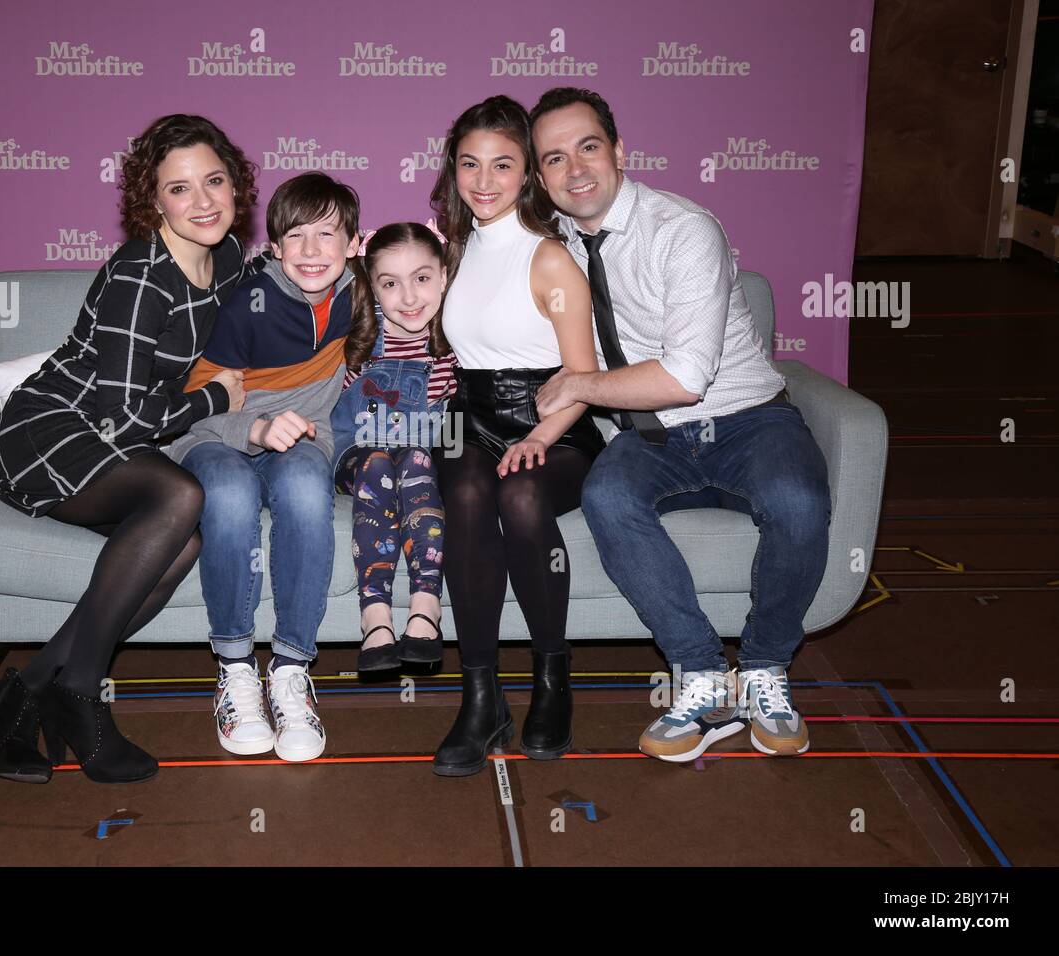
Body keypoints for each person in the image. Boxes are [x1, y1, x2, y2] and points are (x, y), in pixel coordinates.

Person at [530, 87, 831, 762]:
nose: (575, 169)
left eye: (588, 147)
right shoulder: (553, 252)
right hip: (652, 436)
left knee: (799, 499)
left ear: (619, 152)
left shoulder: (685, 228)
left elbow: (687, 377)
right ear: (541, 177)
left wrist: (578, 384)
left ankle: (763, 668)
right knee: (607, 496)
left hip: (747, 419)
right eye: (554, 158)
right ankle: (699, 671)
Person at [0, 114, 255, 784]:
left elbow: (255, 343)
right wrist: (217, 400)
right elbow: (126, 418)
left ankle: (28, 692)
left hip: (108, 439)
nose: (205, 200)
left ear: (236, 184)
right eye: (180, 189)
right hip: (52, 430)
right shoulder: (141, 275)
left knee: (183, 539)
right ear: (153, 201)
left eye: (215, 180)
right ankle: (78, 696)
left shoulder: (232, 259)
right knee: (182, 495)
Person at [428, 95, 605, 777]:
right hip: (469, 419)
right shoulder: (459, 245)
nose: (483, 179)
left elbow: (584, 375)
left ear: (527, 173)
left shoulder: (551, 258)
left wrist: (541, 433)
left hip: (554, 423)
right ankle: (480, 697)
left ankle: (553, 678)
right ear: (452, 169)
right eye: (470, 163)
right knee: (468, 492)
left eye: (502, 164)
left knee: (523, 498)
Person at [165, 172, 361, 762]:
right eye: (294, 236)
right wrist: (251, 428)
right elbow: (187, 405)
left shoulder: (362, 292)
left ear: (354, 243)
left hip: (302, 436)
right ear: (273, 246)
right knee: (226, 491)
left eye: (327, 235)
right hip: (216, 431)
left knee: (305, 484)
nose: (310, 251)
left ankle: (292, 671)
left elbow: (423, 285)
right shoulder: (246, 305)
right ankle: (234, 668)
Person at [331, 221, 457, 675]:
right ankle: (375, 615)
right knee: (379, 462)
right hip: (357, 454)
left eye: (422, 278)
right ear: (372, 287)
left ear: (444, 276)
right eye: (390, 283)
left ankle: (426, 605)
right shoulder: (361, 335)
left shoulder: (456, 340)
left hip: (419, 459)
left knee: (418, 459)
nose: (408, 297)